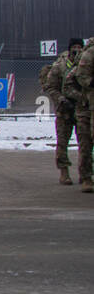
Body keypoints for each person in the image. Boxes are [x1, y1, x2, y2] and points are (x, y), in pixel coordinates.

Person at [45, 38, 87, 187]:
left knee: (85, 143)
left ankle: (85, 173)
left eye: (79, 47)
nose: (77, 50)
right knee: (63, 142)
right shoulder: (59, 66)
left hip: (82, 108)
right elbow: (50, 87)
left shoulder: (86, 64)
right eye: (74, 47)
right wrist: (61, 99)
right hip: (65, 110)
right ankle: (64, 171)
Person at [60, 37, 94, 193]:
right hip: (87, 108)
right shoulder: (89, 55)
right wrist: (83, 96)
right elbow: (75, 79)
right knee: (85, 143)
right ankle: (86, 177)